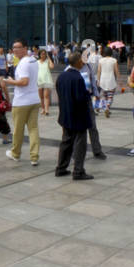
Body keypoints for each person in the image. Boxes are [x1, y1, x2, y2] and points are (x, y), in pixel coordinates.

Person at [54, 48, 96, 180]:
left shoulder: (62, 76)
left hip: (65, 114)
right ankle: (78, 171)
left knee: (66, 141)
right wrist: (87, 93)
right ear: (77, 62)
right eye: (81, 61)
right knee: (80, 143)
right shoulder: (78, 77)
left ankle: (61, 168)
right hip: (78, 116)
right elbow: (80, 98)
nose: (83, 63)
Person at [5, 41, 43, 165]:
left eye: (18, 48)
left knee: (18, 129)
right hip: (34, 99)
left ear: (25, 48)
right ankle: (34, 157)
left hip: (22, 101)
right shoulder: (33, 60)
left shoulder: (23, 63)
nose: (15, 50)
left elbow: (24, 82)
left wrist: (10, 81)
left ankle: (15, 154)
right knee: (33, 129)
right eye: (13, 47)